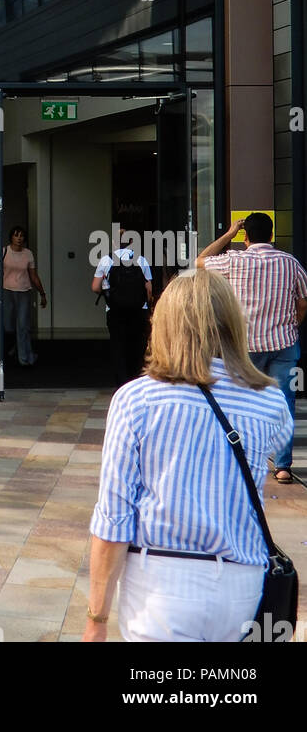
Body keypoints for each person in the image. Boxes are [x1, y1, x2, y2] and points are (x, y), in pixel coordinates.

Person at [84, 270, 293, 644]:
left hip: (161, 580)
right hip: (241, 580)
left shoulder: (137, 400)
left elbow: (114, 518)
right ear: (233, 324)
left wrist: (96, 617)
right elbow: (275, 445)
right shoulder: (271, 401)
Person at [196, 211, 307, 484]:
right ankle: (282, 467)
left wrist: (227, 235)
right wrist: (292, 325)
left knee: (241, 400)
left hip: (245, 345)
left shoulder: (234, 260)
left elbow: (199, 262)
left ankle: (246, 458)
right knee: (284, 402)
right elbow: (302, 302)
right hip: (284, 344)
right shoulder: (290, 262)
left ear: (246, 236)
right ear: (272, 235)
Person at [92, 240, 153, 385]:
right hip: (139, 310)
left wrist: (109, 293)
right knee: (137, 346)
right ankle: (136, 380)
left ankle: (122, 383)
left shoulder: (106, 259)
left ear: (114, 244)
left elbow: (95, 287)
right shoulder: (141, 259)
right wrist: (147, 303)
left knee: (118, 346)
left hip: (115, 311)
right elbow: (149, 288)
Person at [2, 226, 46, 367]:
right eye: (16, 235)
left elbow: (33, 275)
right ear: (11, 237)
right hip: (7, 291)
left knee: (22, 325)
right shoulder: (5, 251)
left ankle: (25, 358)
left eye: (21, 236)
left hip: (24, 292)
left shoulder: (28, 254)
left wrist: (42, 293)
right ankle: (17, 346)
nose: (19, 238)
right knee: (8, 325)